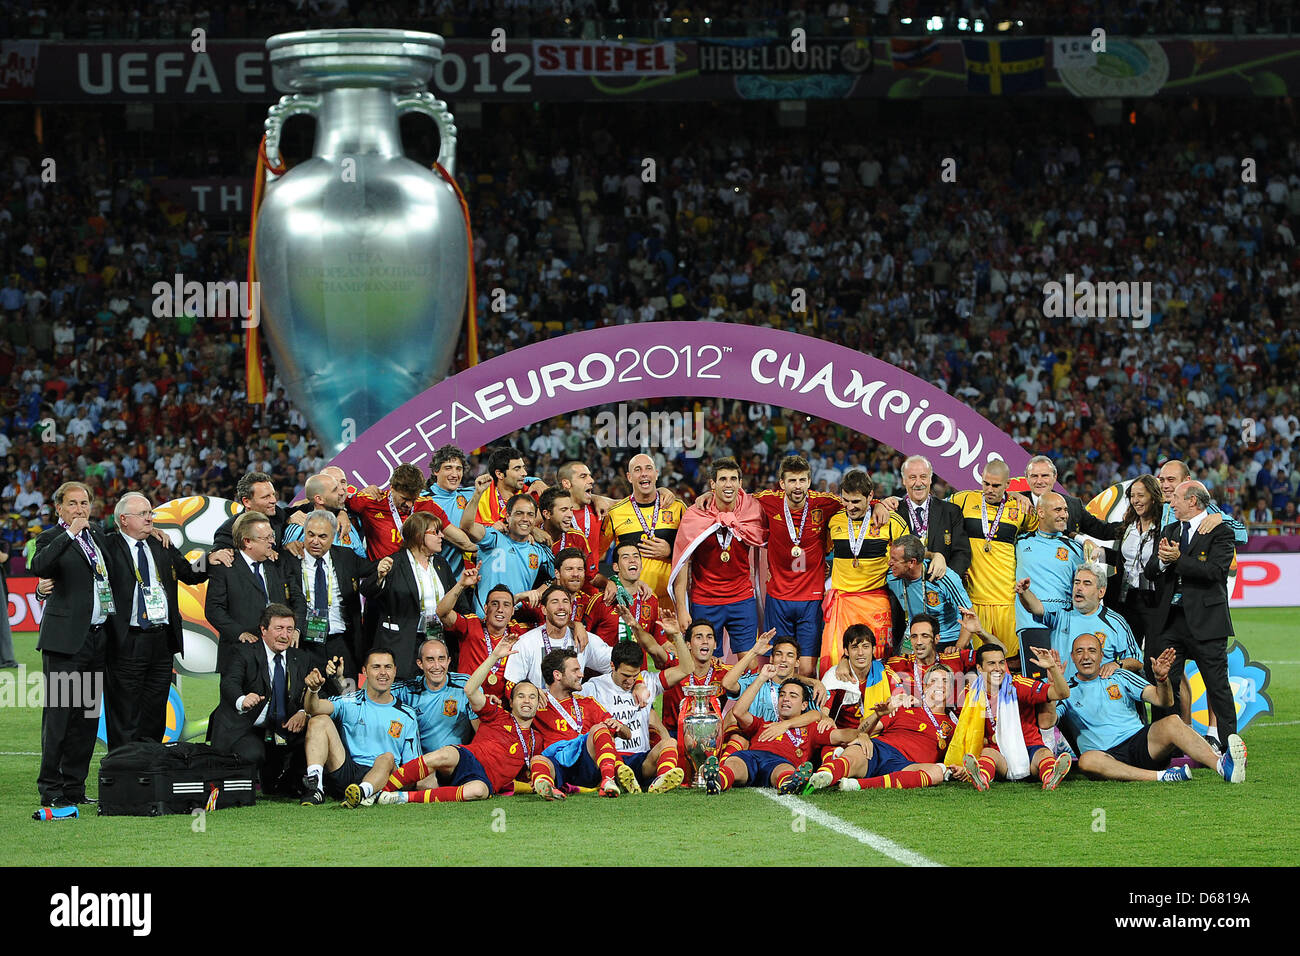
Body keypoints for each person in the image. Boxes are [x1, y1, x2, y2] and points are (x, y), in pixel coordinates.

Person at [31, 481, 121, 807]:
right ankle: (50, 789)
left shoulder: (97, 535)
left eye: (84, 503)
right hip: (65, 642)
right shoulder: (50, 537)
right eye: (72, 503)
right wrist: (70, 533)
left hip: (97, 639)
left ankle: (74, 787)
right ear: (59, 508)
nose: (80, 509)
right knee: (59, 718)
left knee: (86, 718)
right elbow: (40, 566)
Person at [378, 633, 540, 803]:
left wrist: (539, 783)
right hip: (462, 759)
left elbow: (536, 766)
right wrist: (494, 656)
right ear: (511, 702)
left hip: (484, 780)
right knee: (444, 755)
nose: (526, 701)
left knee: (477, 791)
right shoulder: (497, 714)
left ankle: (401, 798)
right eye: (521, 696)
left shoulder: (536, 739)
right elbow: (470, 690)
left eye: (532, 697)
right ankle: (382, 791)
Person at [1060, 636, 1246, 784]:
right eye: (1079, 651)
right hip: (1104, 755)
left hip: (1141, 743)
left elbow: (1163, 701)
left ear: (1101, 656)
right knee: (1086, 761)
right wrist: (1054, 680)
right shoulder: (1065, 690)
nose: (1086, 656)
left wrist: (1162, 680)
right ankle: (1162, 776)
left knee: (1172, 721)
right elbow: (1049, 721)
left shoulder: (1120, 676)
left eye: (1092, 651)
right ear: (1072, 657)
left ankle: (1221, 766)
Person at [103, 491, 208, 748]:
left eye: (150, 513)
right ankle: (122, 762)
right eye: (143, 514)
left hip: (161, 640)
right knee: (124, 708)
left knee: (156, 707)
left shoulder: (161, 544)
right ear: (124, 519)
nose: (150, 518)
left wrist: (210, 560)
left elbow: (189, 574)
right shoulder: (108, 546)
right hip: (126, 640)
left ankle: (150, 760)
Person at [1144, 480, 1240, 748]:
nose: (1171, 502)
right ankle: (1164, 744)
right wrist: (1162, 561)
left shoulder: (1221, 532)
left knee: (1217, 685)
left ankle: (1229, 746)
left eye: (1176, 497)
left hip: (1207, 621)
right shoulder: (1170, 530)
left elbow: (1215, 572)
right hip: (1170, 620)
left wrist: (1178, 559)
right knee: (1164, 681)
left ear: (1193, 501)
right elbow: (1150, 570)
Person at [699, 665, 859, 795]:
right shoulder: (764, 723)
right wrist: (761, 678)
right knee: (734, 763)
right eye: (782, 695)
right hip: (752, 757)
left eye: (793, 696)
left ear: (804, 705)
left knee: (785, 770)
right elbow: (738, 712)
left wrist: (860, 734)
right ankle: (716, 780)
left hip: (780, 762)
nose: (786, 699)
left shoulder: (811, 729)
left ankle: (790, 784)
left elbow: (842, 734)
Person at [206, 604, 314, 794]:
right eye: (279, 628)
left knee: (317, 731)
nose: (285, 635)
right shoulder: (243, 652)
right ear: (263, 630)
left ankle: (289, 782)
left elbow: (314, 691)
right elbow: (229, 683)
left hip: (284, 728)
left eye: (289, 629)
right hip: (247, 728)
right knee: (252, 754)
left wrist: (303, 712)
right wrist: (242, 700)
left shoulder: (301, 657)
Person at [754, 454, 842, 676]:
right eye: (792, 481)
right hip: (778, 598)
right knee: (781, 667)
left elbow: (855, 501)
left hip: (811, 599)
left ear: (809, 481)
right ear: (782, 483)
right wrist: (708, 495)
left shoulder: (825, 503)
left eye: (802, 480)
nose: (797, 486)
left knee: (806, 669)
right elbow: (736, 500)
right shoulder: (767, 500)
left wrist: (879, 504)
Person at [670, 456, 767, 656]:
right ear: (712, 484)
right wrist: (682, 608)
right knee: (706, 664)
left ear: (740, 483)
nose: (728, 484)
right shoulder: (696, 514)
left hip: (741, 598)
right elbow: (682, 562)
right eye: (722, 479)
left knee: (749, 663)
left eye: (733, 479)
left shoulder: (752, 511)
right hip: (705, 600)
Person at [300, 648, 420, 808]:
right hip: (348, 771)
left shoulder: (407, 715)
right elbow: (313, 708)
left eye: (388, 667)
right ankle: (316, 788)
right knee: (319, 720)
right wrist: (313, 690)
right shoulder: (350, 701)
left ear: (395, 671)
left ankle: (363, 793)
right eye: (376, 667)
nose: (383, 673)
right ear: (365, 671)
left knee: (387, 758)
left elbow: (411, 768)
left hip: (385, 777)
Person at [807, 665, 958, 792]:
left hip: (908, 766)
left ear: (951, 688)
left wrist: (959, 769)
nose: (939, 685)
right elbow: (861, 731)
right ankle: (820, 776)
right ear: (924, 687)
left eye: (945, 681)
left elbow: (957, 755)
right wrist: (878, 715)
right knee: (855, 753)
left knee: (936, 772)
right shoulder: (903, 706)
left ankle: (857, 784)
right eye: (934, 681)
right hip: (878, 750)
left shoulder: (953, 726)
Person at [948, 459, 1037, 665]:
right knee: (978, 662)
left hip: (1007, 598)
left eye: (996, 485)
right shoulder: (964, 499)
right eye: (986, 483)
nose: (989, 489)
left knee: (1010, 661)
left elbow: (1044, 529)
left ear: (1007, 485)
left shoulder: (1020, 507)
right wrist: (886, 502)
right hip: (973, 600)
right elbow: (931, 508)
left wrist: (1018, 496)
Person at [951, 643, 1073, 792]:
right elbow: (963, 730)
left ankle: (1050, 775)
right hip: (999, 755)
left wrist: (1053, 668)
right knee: (987, 753)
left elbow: (1062, 693)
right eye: (991, 663)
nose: (998, 668)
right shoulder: (970, 694)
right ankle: (981, 776)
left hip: (1029, 749)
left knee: (1044, 753)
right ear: (979, 668)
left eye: (1001, 662)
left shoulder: (1018, 685)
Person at [822, 469, 908, 668]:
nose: (850, 507)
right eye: (845, 500)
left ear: (870, 496)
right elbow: (821, 550)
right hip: (843, 603)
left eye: (856, 502)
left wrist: (880, 504)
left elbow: (907, 556)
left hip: (876, 603)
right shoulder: (834, 520)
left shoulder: (890, 521)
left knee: (877, 663)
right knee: (836, 664)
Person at [582, 638, 691, 794]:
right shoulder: (594, 687)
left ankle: (660, 782)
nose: (630, 681)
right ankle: (617, 777)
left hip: (641, 759)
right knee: (604, 743)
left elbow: (687, 669)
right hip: (611, 757)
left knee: (670, 743)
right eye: (625, 675)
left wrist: (676, 635)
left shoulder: (647, 682)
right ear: (612, 666)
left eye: (635, 675)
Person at [280, 510, 376, 687]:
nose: (315, 541)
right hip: (303, 644)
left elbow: (374, 568)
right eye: (310, 535)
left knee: (347, 694)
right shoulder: (288, 558)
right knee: (307, 697)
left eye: (322, 536)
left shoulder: (346, 556)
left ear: (333, 538)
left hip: (342, 643)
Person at [205, 511, 306, 674]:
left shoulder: (278, 563)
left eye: (272, 536)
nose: (272, 541)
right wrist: (239, 633)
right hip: (238, 654)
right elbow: (214, 609)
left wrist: (296, 630)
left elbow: (298, 600)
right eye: (266, 538)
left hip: (278, 654)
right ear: (247, 541)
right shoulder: (225, 567)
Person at [358, 510, 452, 681]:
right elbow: (367, 590)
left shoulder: (441, 563)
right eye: (436, 532)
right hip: (402, 642)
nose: (442, 536)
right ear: (418, 535)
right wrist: (379, 577)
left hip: (435, 638)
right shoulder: (394, 563)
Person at [527, 648, 631, 800]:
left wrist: (620, 727)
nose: (581, 675)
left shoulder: (588, 703)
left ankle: (608, 780)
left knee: (600, 729)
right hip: (558, 764)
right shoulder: (538, 703)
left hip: (586, 764)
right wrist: (531, 690)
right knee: (538, 760)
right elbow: (513, 702)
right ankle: (547, 786)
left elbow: (627, 735)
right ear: (557, 675)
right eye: (575, 670)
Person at [1016, 564, 1142, 680]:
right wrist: (1024, 593)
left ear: (1101, 592)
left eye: (1087, 583)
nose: (1079, 588)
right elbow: (1035, 608)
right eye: (1077, 582)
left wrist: (1117, 664)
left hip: (1096, 693)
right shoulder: (1061, 613)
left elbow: (1137, 661)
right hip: (1062, 692)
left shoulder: (1116, 622)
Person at [599, 453, 686, 610]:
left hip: (671, 602)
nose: (644, 473)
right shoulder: (616, 513)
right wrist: (608, 581)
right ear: (629, 477)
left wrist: (671, 551)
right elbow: (596, 555)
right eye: (637, 469)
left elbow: (693, 552)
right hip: (632, 602)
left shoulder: (677, 507)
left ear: (656, 474)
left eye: (648, 468)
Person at [1013, 492, 1086, 677]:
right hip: (1032, 623)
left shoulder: (1075, 548)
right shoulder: (1019, 542)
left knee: (1066, 680)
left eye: (1065, 510)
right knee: (1039, 685)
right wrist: (1013, 493)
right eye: (1057, 510)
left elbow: (1083, 588)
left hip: (1064, 623)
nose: (1064, 515)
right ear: (1041, 512)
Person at [1094, 474, 1167, 654]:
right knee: (1126, 652)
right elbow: (1125, 559)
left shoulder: (1166, 526)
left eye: (1141, 495)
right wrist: (1100, 551)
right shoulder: (1129, 526)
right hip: (1127, 598)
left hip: (1154, 600)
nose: (1135, 500)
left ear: (1153, 497)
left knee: (1154, 654)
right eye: (1132, 496)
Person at [459, 476, 556, 612]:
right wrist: (477, 494)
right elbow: (467, 526)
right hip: (484, 619)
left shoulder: (539, 550)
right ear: (508, 517)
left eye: (530, 515)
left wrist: (538, 592)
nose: (525, 519)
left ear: (535, 519)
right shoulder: (493, 538)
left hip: (517, 620)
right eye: (519, 513)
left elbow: (557, 576)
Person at [347, 462, 473, 561]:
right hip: (383, 576)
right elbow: (339, 500)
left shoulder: (427, 505)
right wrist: (342, 513)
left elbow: (460, 539)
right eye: (405, 499)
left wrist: (477, 549)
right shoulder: (371, 501)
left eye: (413, 499)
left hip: (416, 577)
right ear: (392, 488)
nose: (409, 505)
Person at [438, 572, 527, 703]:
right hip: (467, 702)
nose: (500, 609)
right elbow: (442, 613)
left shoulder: (518, 632)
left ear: (513, 611)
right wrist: (461, 585)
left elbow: (551, 622)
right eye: (495, 604)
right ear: (485, 608)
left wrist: (521, 596)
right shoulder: (471, 625)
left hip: (501, 707)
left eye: (506, 605)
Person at [880, 454, 971, 579]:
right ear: (904, 481)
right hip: (903, 585)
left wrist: (946, 580)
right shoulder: (893, 512)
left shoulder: (951, 512)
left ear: (930, 479)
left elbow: (961, 553)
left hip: (941, 583)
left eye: (923, 477)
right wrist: (879, 504)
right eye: (912, 477)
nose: (918, 483)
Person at [504, 584, 610, 688]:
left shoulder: (583, 639)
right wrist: (533, 693)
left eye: (565, 601)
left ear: (570, 608)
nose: (561, 607)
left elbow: (616, 664)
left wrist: (592, 688)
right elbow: (512, 686)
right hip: (540, 699)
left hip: (573, 700)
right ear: (544, 609)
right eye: (555, 602)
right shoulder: (526, 643)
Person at [884, 534, 972, 652]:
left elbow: (969, 615)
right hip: (914, 638)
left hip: (947, 640)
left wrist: (957, 649)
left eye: (895, 560)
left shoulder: (942, 577)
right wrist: (935, 555)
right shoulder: (892, 575)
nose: (889, 563)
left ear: (912, 562)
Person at [390, 636, 478, 753]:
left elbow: (482, 731)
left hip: (458, 759)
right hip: (421, 760)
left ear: (448, 661)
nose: (437, 666)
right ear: (420, 663)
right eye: (430, 660)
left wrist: (487, 703)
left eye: (441, 659)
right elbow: (376, 693)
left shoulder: (465, 685)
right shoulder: (407, 690)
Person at [821, 624, 901, 730]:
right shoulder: (835, 676)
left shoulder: (885, 670)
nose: (860, 653)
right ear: (846, 651)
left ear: (873, 649)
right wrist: (825, 718)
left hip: (878, 733)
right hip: (844, 736)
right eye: (855, 647)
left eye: (865, 646)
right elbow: (823, 712)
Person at [883, 613, 978, 700]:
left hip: (951, 712)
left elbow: (987, 656)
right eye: (914, 636)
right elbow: (874, 666)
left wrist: (980, 632)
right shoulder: (899, 664)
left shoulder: (953, 659)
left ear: (936, 639)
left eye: (925, 636)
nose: (918, 642)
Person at [1023, 454, 1117, 538]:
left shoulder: (1073, 505)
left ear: (1055, 477)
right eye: (1034, 476)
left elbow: (1102, 530)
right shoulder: (1016, 501)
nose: (1039, 481)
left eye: (1045, 476)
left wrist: (1126, 526)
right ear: (1026, 478)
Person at [281, 472, 365, 557]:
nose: (342, 492)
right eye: (334, 490)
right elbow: (285, 559)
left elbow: (361, 558)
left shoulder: (345, 523)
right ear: (319, 499)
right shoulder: (299, 528)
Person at [211, 471, 290, 551]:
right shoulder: (229, 531)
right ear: (247, 502)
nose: (274, 500)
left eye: (273, 494)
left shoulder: (276, 513)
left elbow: (291, 512)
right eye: (266, 497)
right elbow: (216, 554)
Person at [473, 446, 547, 526]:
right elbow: (471, 528)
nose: (524, 473)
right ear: (499, 474)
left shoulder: (532, 492)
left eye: (523, 468)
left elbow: (552, 510)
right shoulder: (481, 498)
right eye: (517, 469)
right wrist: (489, 529)